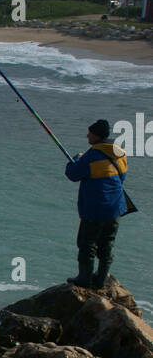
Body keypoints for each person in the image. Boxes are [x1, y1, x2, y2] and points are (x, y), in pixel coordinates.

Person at [64, 119, 128, 289]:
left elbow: (72, 174)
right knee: (107, 245)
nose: (87, 136)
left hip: (95, 209)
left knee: (87, 244)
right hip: (116, 207)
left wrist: (76, 159)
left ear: (97, 135)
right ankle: (100, 281)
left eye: (90, 133)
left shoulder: (92, 156)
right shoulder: (120, 152)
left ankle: (84, 279)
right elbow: (122, 178)